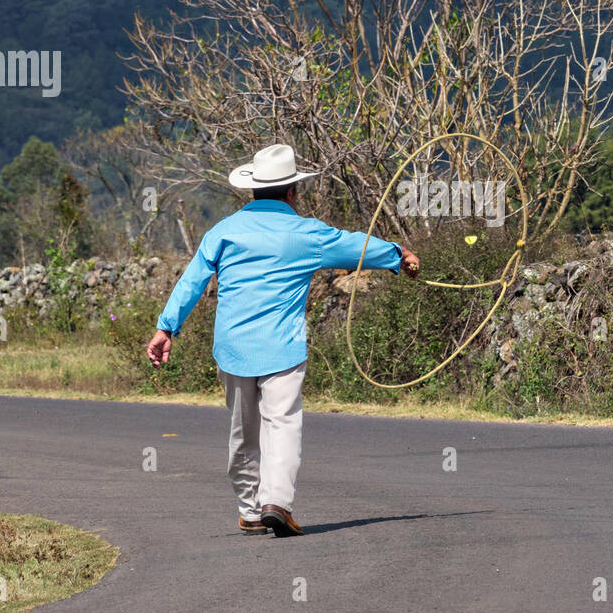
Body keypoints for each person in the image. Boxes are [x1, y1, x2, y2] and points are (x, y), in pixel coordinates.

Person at [146, 143, 420, 537]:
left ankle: (250, 510)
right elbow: (356, 244)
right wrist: (400, 255)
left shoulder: (223, 232)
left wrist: (166, 328)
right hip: (282, 347)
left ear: (253, 189)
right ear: (292, 191)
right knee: (282, 424)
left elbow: (192, 281)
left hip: (233, 347)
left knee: (243, 431)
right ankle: (277, 502)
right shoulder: (307, 234)